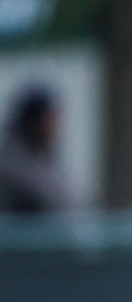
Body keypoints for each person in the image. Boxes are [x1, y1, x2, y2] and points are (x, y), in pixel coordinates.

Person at [0, 83, 77, 214]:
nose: (54, 126)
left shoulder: (48, 161)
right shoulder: (11, 167)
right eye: (48, 120)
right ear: (32, 121)